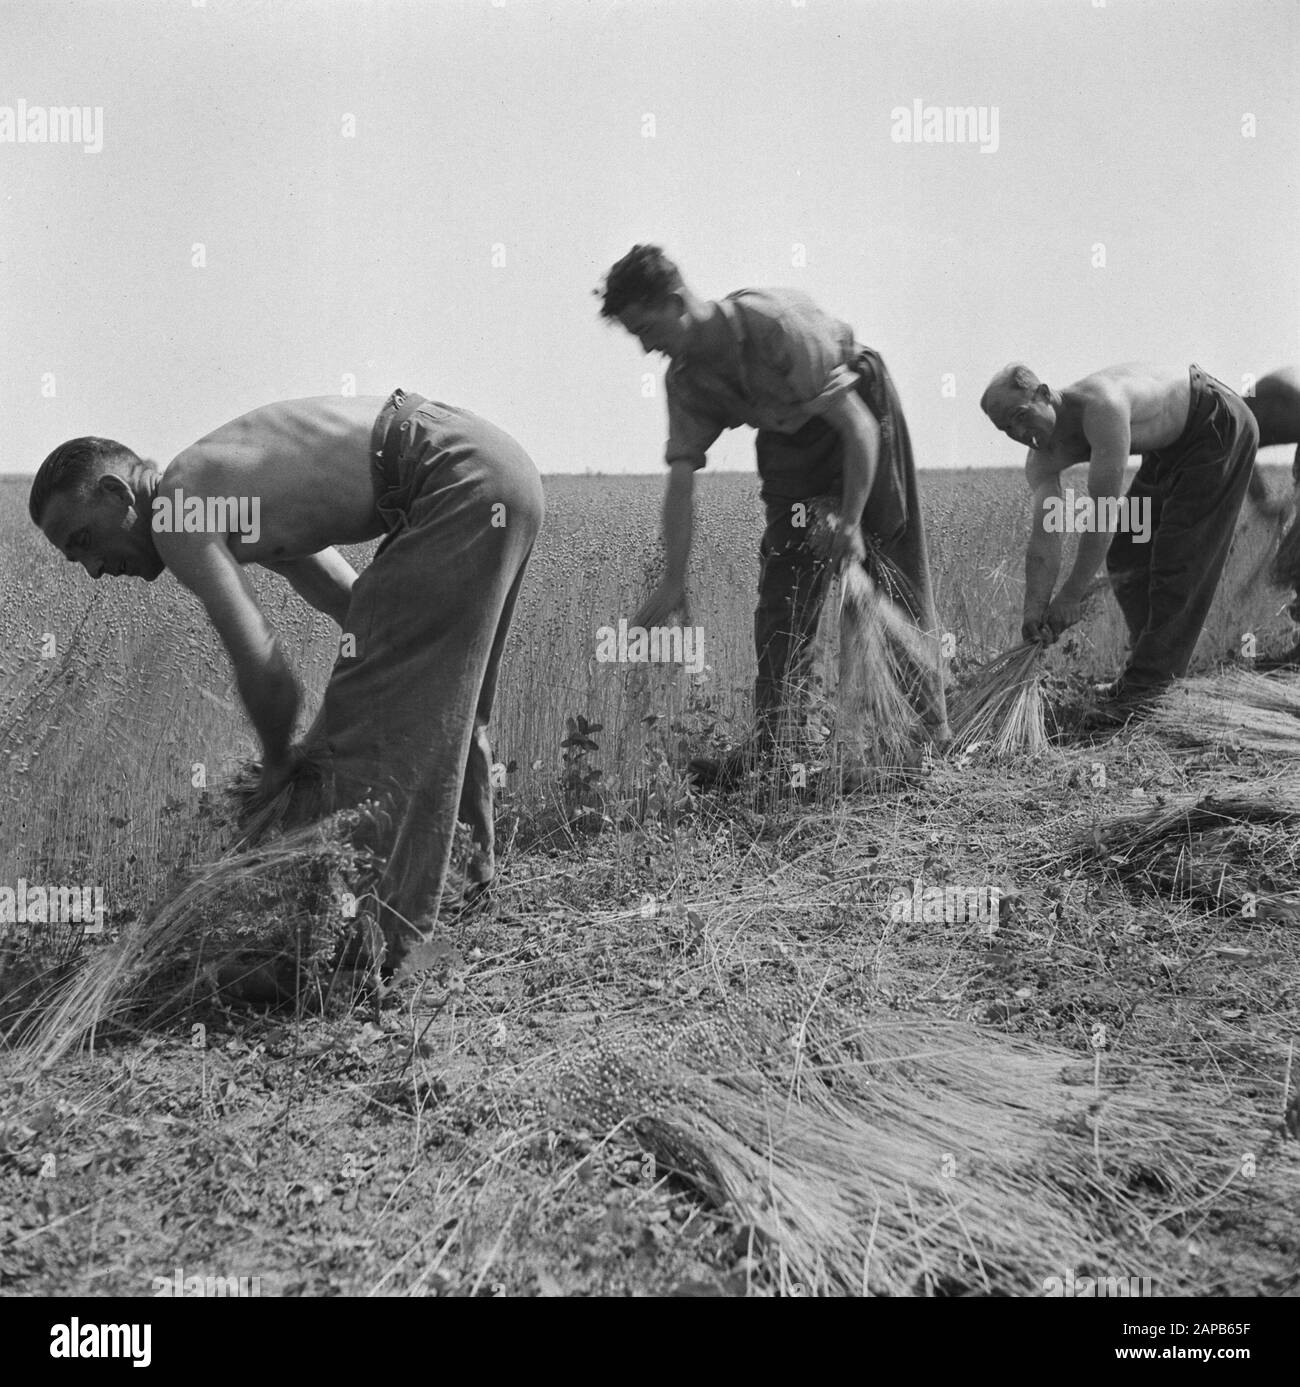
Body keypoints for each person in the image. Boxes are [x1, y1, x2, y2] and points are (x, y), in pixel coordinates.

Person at [29, 390, 544, 969]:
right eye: (78, 561)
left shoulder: (176, 508)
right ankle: (464, 885)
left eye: (84, 541)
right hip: (493, 467)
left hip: (455, 483)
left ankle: (373, 954)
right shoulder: (224, 493)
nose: (96, 567)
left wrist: (280, 768)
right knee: (447, 695)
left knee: (366, 719)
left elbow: (264, 667)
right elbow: (358, 614)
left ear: (116, 493)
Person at [598, 244, 949, 782]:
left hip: (857, 411)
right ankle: (778, 747)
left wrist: (851, 522)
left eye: (646, 329)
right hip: (788, 441)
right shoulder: (687, 381)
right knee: (785, 584)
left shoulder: (775, 325)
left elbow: (854, 426)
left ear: (675, 301)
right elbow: (681, 480)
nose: (646, 348)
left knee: (889, 563)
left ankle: (926, 738)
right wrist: (673, 579)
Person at [981, 362, 1258, 712]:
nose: (1018, 431)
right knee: (1128, 554)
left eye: (1021, 416)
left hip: (1216, 425)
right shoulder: (1041, 460)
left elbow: (1102, 513)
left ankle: (1150, 688)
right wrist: (1034, 610)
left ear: (1044, 394)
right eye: (1005, 428)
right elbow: (1046, 535)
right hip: (1168, 448)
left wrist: (1070, 596)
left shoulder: (1102, 408)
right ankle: (1151, 670)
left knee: (1179, 561)